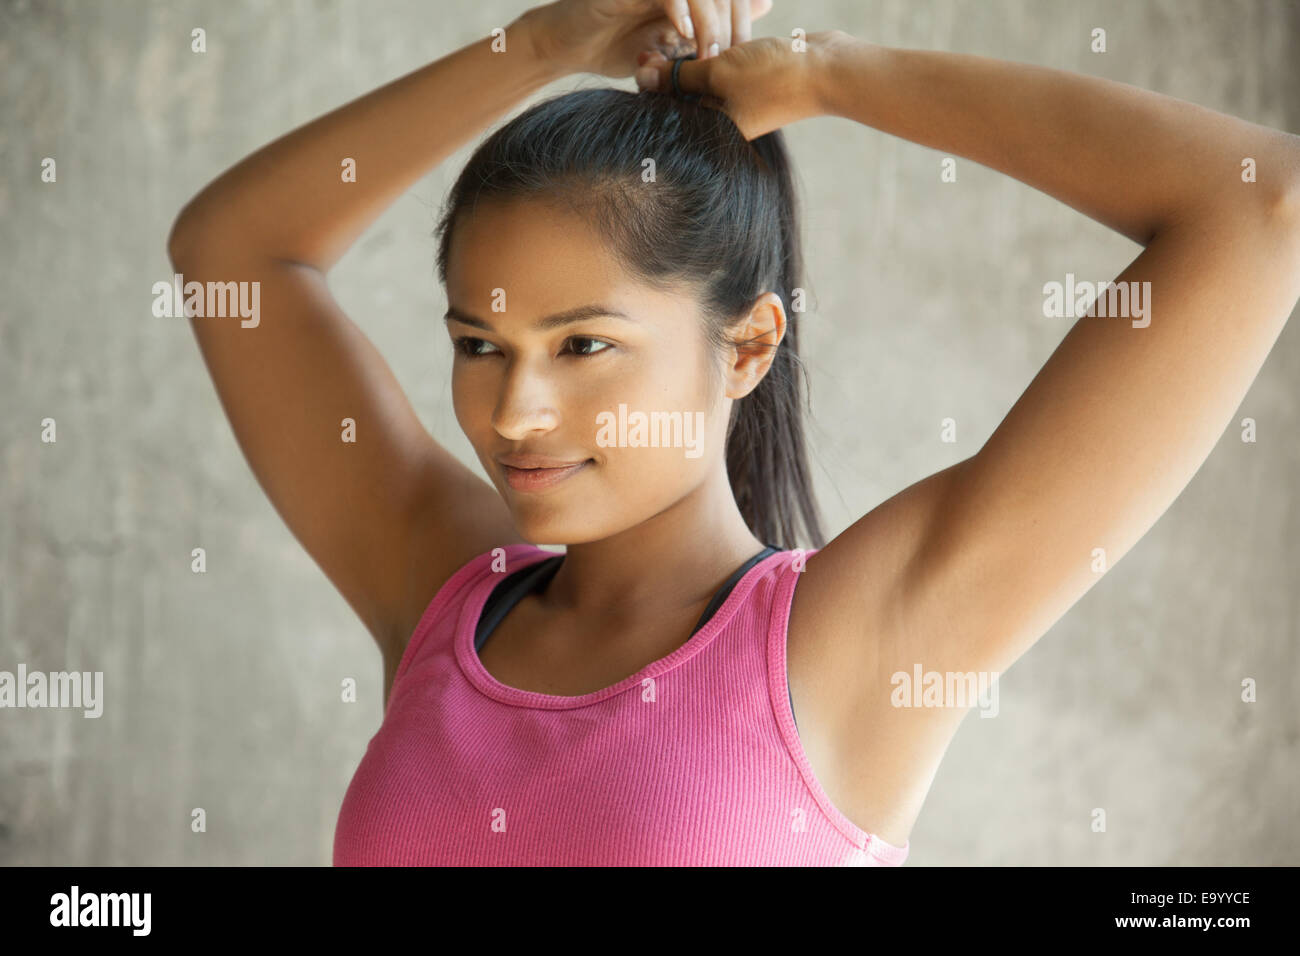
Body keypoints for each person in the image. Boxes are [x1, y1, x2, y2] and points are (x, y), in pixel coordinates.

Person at [167, 0, 1300, 866]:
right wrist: (550, 40)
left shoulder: (860, 638)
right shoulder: (443, 596)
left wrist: (827, 75)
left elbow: (1257, 202)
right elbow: (228, 254)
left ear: (749, 345)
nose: (513, 414)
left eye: (583, 346)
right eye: (479, 344)